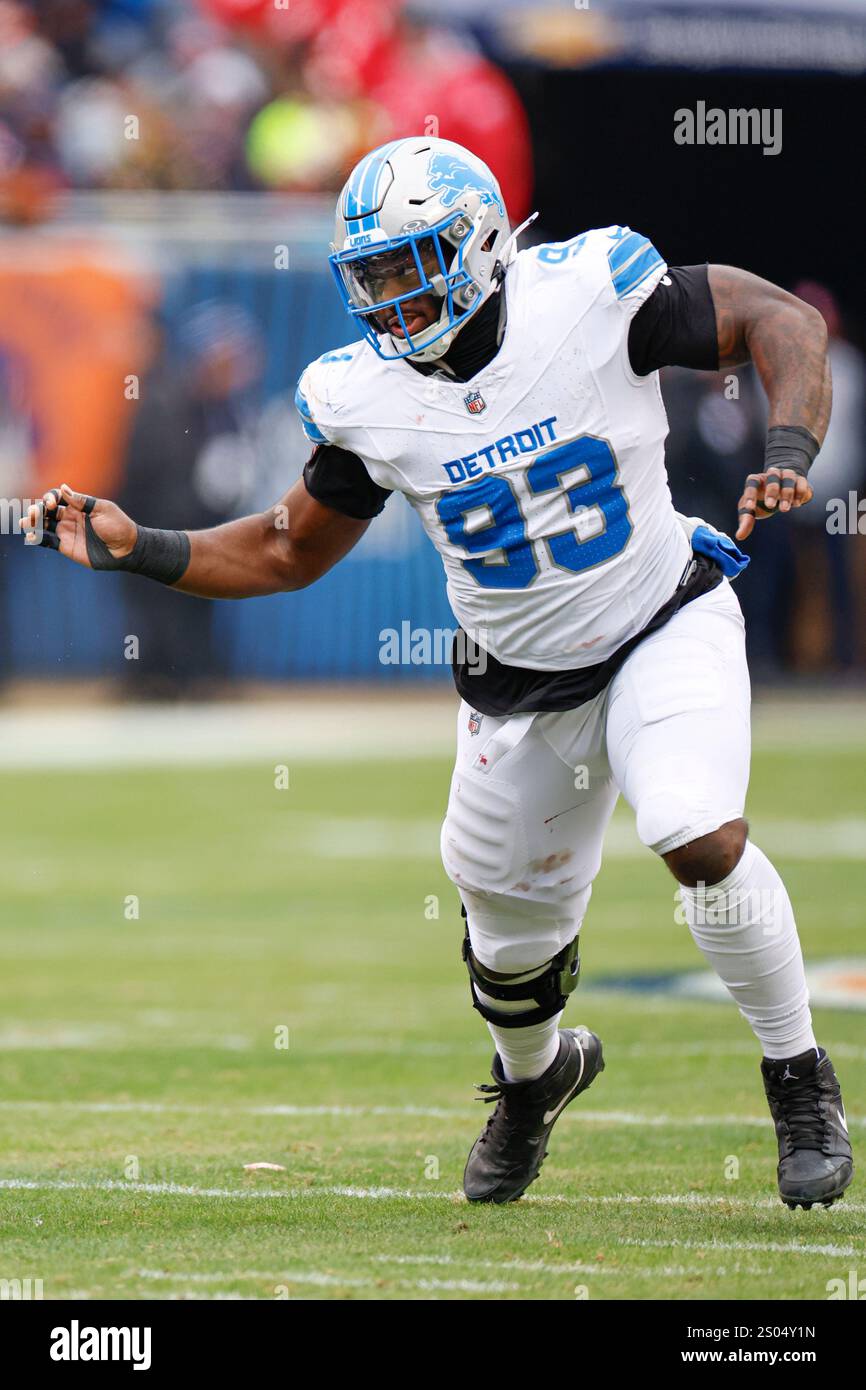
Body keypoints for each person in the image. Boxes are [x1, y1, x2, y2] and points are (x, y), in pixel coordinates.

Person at [23, 136, 852, 1211]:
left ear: (475, 246)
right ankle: (535, 1080)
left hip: (661, 618)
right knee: (508, 950)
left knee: (694, 830)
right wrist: (144, 544)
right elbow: (284, 547)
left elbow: (779, 319)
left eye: (407, 266)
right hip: (515, 685)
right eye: (369, 277)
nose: (388, 299)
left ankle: (798, 1077)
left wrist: (787, 449)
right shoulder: (366, 395)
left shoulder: (590, 294)